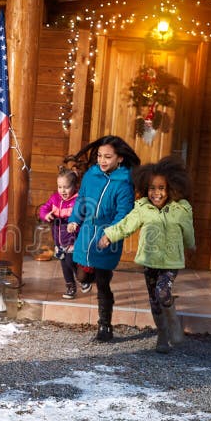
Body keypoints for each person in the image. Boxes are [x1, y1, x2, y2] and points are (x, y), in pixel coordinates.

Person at [98, 156, 195, 353]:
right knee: (154, 301)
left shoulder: (181, 209)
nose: (156, 193)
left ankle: (174, 322)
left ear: (171, 188)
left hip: (170, 263)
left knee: (163, 292)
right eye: (152, 188)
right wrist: (109, 235)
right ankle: (162, 334)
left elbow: (188, 230)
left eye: (161, 188)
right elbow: (126, 225)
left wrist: (190, 245)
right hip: (150, 261)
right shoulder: (142, 208)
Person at [66, 135, 140, 342]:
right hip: (87, 232)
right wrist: (74, 219)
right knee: (81, 276)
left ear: (120, 159)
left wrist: (110, 235)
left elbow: (123, 214)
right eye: (99, 156)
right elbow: (82, 199)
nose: (102, 160)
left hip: (107, 237)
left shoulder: (124, 183)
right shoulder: (91, 175)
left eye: (108, 156)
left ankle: (104, 326)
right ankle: (90, 274)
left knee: (102, 283)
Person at [38, 167, 80, 299]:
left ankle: (82, 278)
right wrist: (46, 215)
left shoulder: (77, 200)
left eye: (66, 187)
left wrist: (75, 223)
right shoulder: (55, 198)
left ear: (74, 186)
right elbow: (44, 208)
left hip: (73, 239)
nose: (62, 190)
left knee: (70, 260)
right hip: (59, 240)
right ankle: (70, 287)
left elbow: (81, 215)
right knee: (64, 263)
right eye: (60, 187)